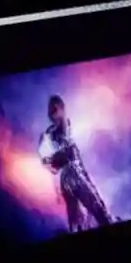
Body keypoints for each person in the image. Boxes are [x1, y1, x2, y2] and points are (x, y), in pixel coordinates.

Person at [37, 95, 114, 232]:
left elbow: (49, 165)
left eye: (54, 109)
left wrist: (53, 162)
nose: (53, 113)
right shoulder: (55, 131)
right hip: (73, 174)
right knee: (98, 210)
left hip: (66, 178)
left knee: (76, 220)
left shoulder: (51, 134)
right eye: (53, 110)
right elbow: (50, 163)